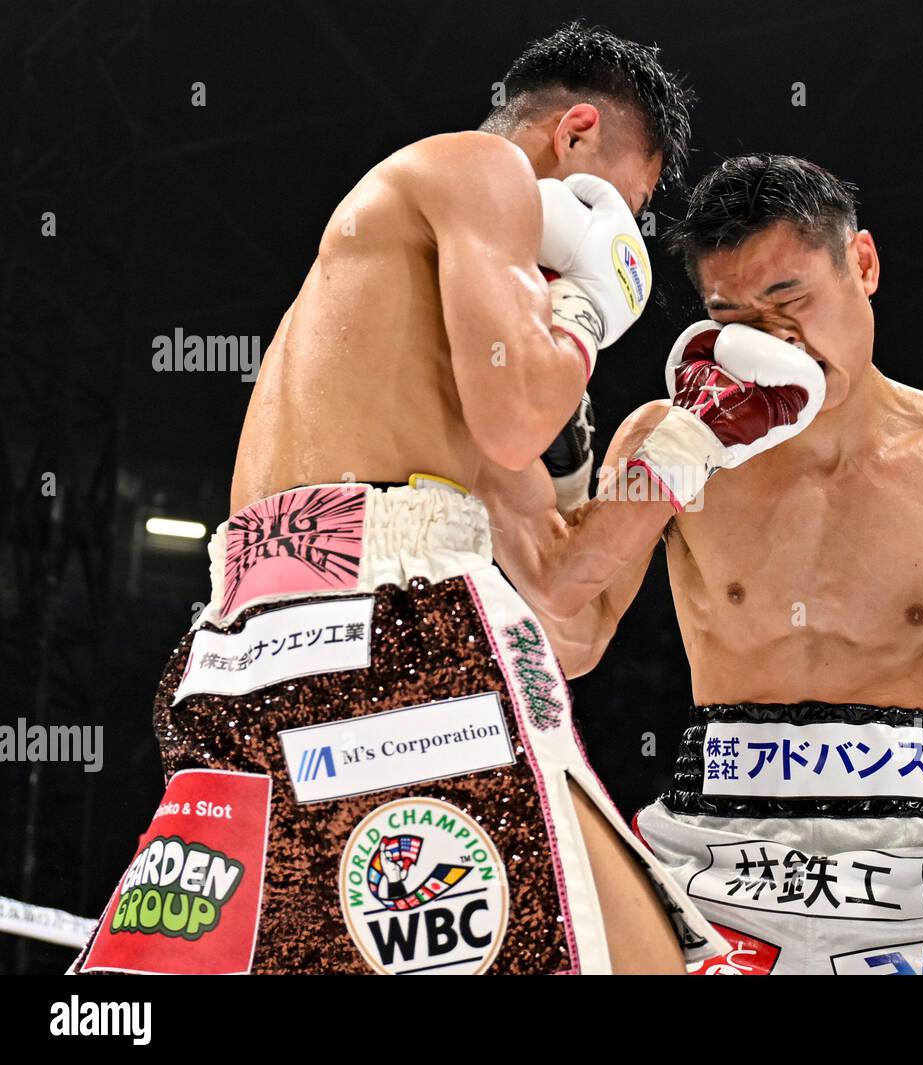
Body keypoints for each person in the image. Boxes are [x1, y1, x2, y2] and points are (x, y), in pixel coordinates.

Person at [71, 25, 815, 977]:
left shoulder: (425, 356)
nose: (611, 243)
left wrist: (682, 440)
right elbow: (513, 421)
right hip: (398, 632)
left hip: (243, 654)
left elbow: (564, 617)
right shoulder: (478, 167)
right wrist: (587, 308)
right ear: (574, 134)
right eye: (621, 210)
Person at [566, 154, 923, 974]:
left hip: (915, 874)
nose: (770, 337)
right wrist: (576, 490)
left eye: (790, 298)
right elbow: (572, 640)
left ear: (863, 264)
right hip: (715, 862)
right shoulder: (666, 441)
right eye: (732, 313)